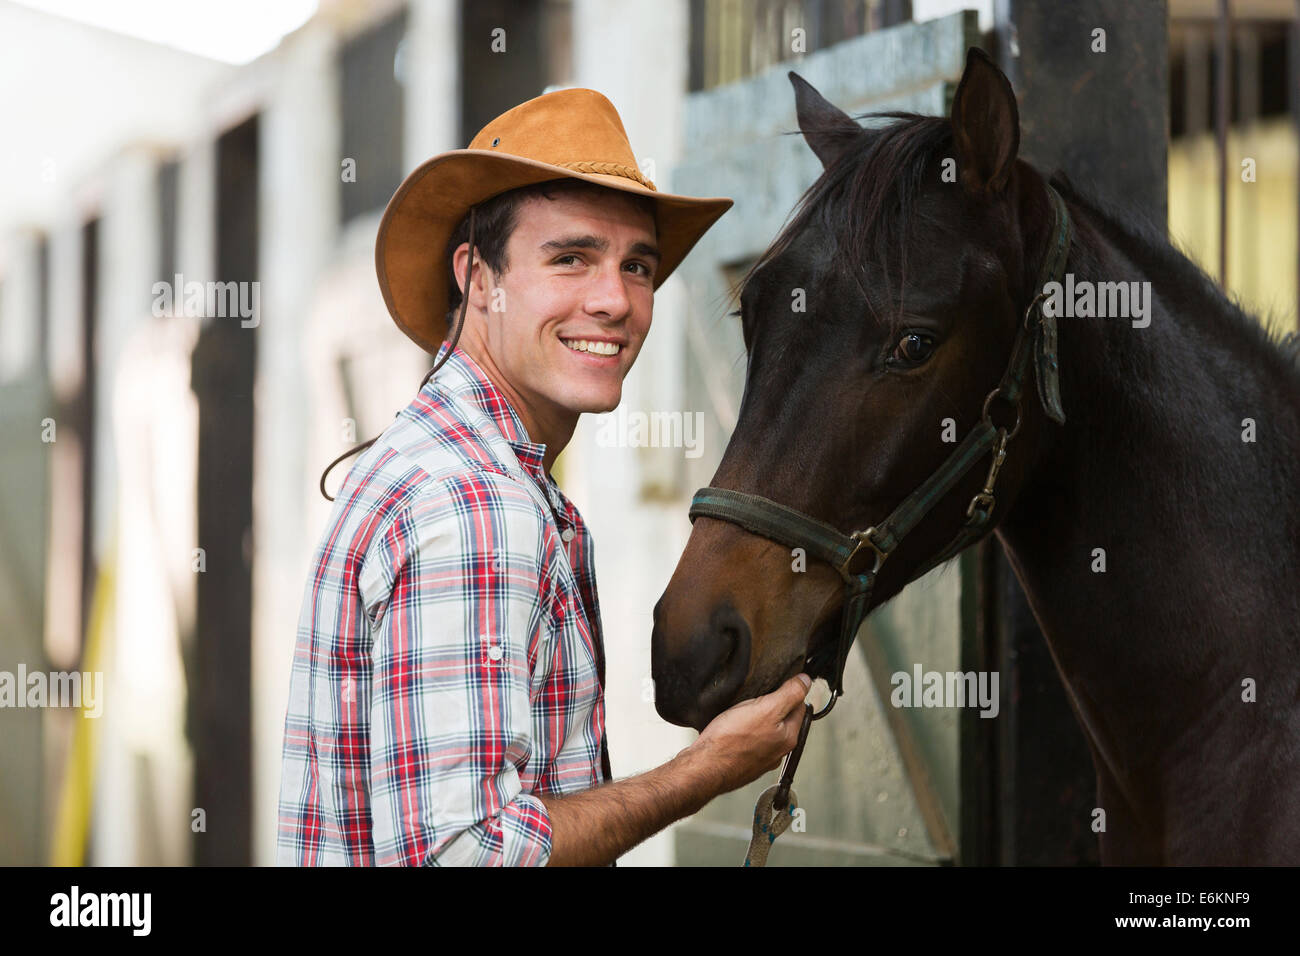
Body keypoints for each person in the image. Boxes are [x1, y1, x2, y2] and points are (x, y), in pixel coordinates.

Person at [277, 87, 810, 866]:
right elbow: (471, 854)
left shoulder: (460, 470)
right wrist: (706, 770)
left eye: (638, 265)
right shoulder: (473, 503)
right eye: (571, 258)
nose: (616, 300)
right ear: (476, 275)